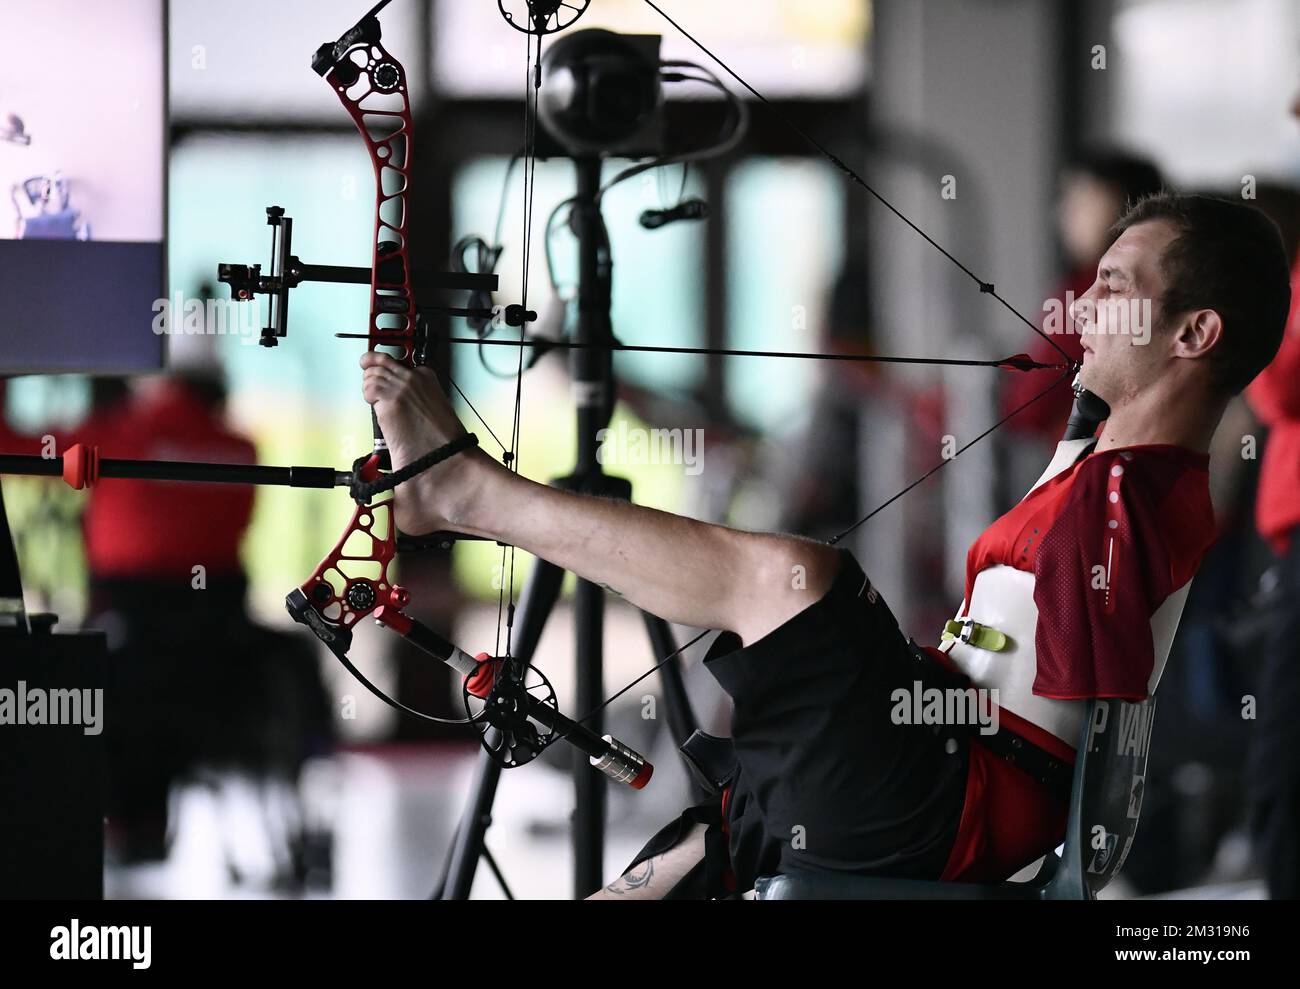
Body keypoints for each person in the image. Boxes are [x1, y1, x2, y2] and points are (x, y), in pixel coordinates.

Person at [360, 192, 1291, 899]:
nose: (1083, 304)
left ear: (1195, 333)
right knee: (673, 866)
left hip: (953, 804)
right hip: (926, 770)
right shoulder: (1106, 459)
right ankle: (459, 493)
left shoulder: (1147, 497)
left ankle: (464, 491)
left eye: (1116, 288)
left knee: (800, 578)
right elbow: (1081, 456)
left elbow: (1099, 687)